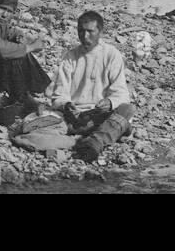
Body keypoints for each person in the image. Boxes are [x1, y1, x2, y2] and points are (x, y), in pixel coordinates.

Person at [50, 11, 134, 162]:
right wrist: (67, 105)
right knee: (40, 120)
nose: (85, 36)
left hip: (99, 114)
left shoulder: (111, 54)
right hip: (75, 117)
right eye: (81, 31)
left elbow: (121, 94)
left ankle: (94, 142)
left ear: (100, 32)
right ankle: (106, 133)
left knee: (127, 109)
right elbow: (59, 95)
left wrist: (109, 103)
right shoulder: (71, 56)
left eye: (90, 31)